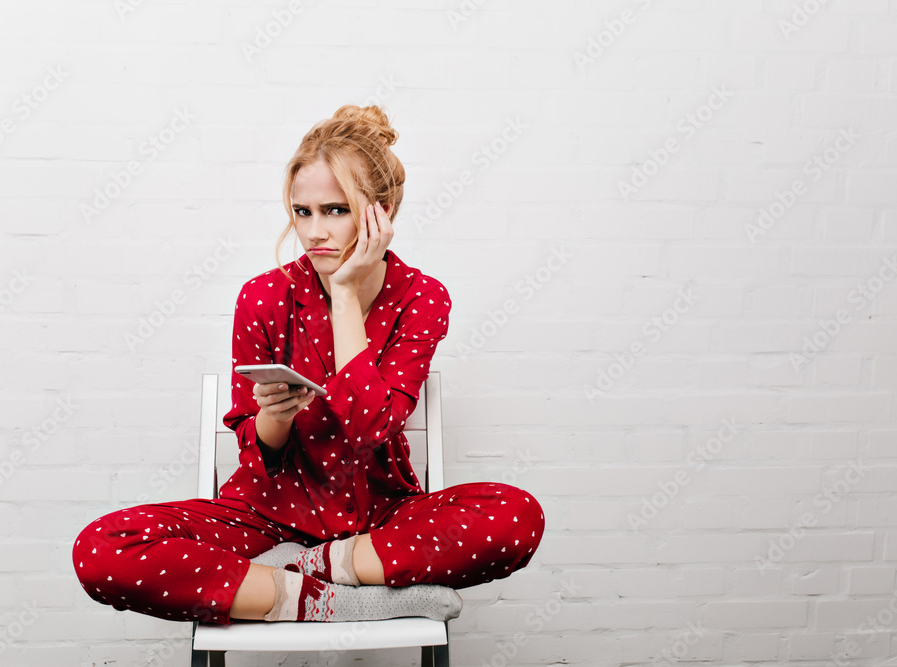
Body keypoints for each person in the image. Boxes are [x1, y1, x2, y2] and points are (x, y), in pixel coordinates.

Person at [72, 104, 544, 625]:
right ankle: (333, 599)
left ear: (381, 213)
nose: (315, 231)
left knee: (516, 517)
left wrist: (344, 294)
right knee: (102, 549)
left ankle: (308, 571)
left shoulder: (421, 297)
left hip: (379, 520)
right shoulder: (262, 296)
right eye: (303, 212)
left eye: (335, 210)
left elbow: (370, 427)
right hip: (264, 517)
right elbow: (254, 454)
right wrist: (273, 417)